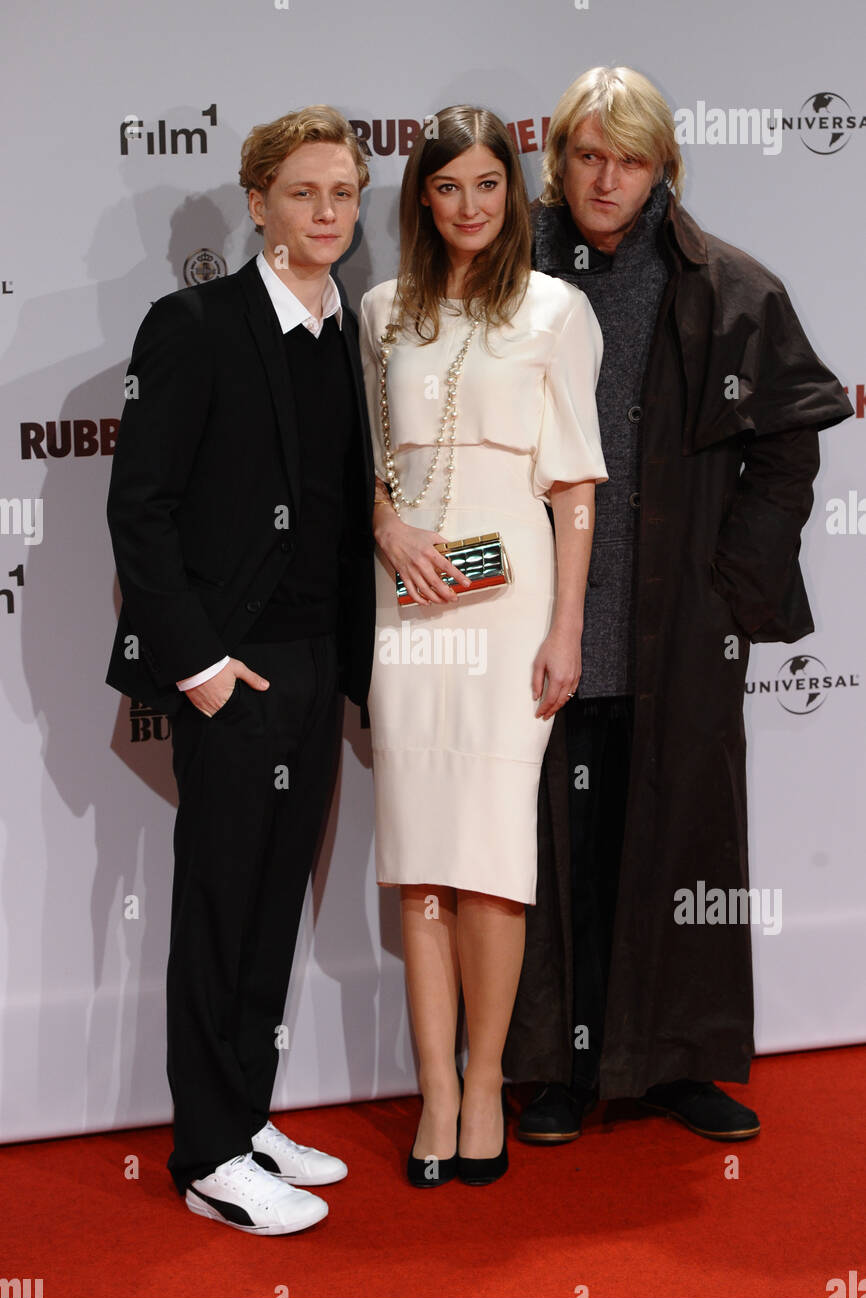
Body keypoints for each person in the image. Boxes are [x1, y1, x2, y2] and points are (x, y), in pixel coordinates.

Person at [503, 67, 853, 1144]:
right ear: (556, 159)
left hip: (676, 627)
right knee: (552, 845)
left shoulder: (725, 288)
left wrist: (727, 592)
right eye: (586, 155)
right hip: (539, 621)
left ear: (663, 168)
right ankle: (555, 1071)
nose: (605, 180)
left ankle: (677, 1062)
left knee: (685, 843)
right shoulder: (501, 277)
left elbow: (786, 446)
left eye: (630, 159)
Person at [106, 106, 376, 1233]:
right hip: (236, 672)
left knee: (274, 910)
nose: (328, 214)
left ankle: (246, 1117)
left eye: (346, 196)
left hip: (317, 661)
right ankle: (206, 1155)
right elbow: (142, 508)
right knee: (219, 912)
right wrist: (201, 666)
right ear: (256, 200)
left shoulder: (347, 327)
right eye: (305, 193)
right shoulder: (195, 323)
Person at [360, 106, 607, 1187]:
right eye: (448, 185)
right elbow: (361, 460)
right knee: (419, 857)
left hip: (512, 613)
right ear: (421, 194)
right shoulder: (377, 312)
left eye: (488, 185)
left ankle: (488, 1081)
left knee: (493, 861)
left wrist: (566, 629)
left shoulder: (557, 309)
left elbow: (576, 484)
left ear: (514, 194)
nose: (469, 205)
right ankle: (434, 1093)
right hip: (407, 602)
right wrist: (382, 522)